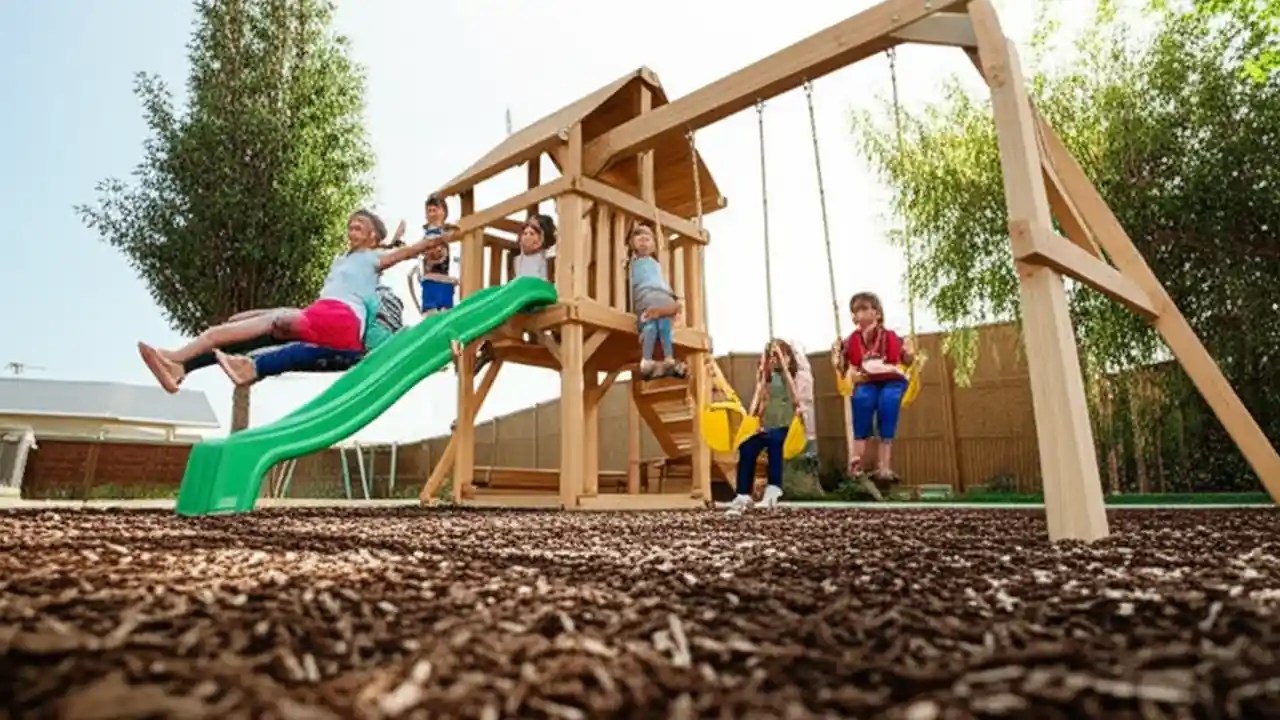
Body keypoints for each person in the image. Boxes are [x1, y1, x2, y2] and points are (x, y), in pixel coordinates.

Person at [137, 209, 442, 393]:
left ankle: (175, 356)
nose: (353, 225)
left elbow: (397, 255)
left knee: (272, 323)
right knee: (241, 324)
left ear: (373, 236)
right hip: (321, 313)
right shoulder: (344, 259)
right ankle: (183, 368)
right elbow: (380, 250)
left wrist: (426, 243)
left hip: (341, 321)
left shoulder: (375, 259)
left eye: (360, 224)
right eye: (351, 223)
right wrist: (391, 241)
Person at [213, 284, 405, 386]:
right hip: (373, 350)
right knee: (298, 344)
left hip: (363, 352)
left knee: (299, 351)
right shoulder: (388, 303)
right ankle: (252, 363)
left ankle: (252, 368)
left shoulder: (366, 297)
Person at [726, 339, 812, 515]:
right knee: (747, 446)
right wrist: (756, 423)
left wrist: (783, 364)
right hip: (769, 428)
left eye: (780, 355)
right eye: (772, 356)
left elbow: (794, 396)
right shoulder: (768, 379)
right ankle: (743, 494)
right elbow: (760, 402)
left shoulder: (794, 377)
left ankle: (774, 488)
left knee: (775, 442)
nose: (776, 360)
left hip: (788, 427)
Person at [842, 291, 915, 484]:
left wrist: (909, 353)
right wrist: (839, 360)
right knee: (862, 402)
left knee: (888, 404)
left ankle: (884, 466)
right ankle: (857, 463)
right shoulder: (851, 341)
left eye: (865, 309)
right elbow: (847, 366)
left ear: (877, 313)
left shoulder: (890, 336)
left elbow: (904, 360)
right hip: (867, 381)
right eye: (856, 311)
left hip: (891, 380)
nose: (860, 314)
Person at [626, 222, 684, 380]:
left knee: (663, 326)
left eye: (648, 237)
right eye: (638, 235)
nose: (644, 239)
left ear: (654, 245)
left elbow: (660, 282)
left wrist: (672, 298)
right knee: (651, 326)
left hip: (661, 296)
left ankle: (668, 358)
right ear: (631, 243)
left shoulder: (656, 265)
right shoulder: (631, 263)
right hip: (646, 296)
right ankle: (647, 359)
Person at [408, 194, 458, 316]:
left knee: (446, 311)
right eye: (429, 211)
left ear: (444, 212)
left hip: (445, 279)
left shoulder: (449, 230)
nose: (432, 213)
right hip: (430, 278)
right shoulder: (427, 234)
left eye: (435, 210)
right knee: (430, 312)